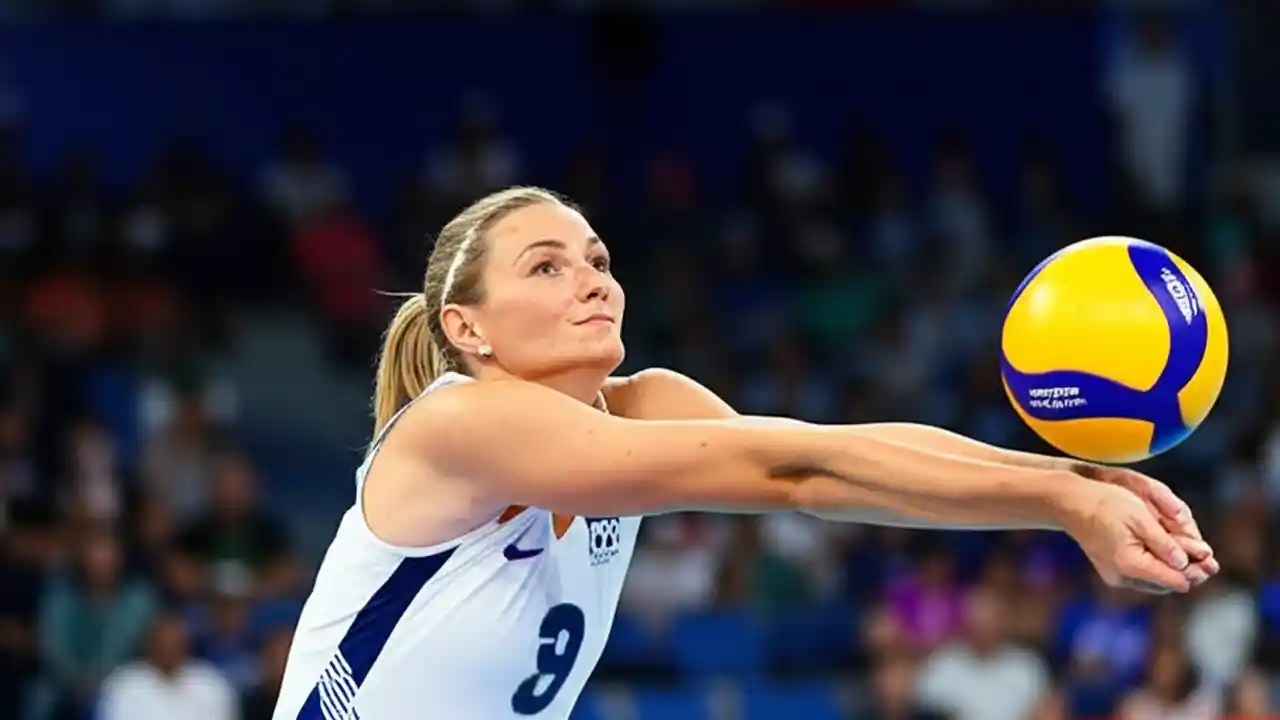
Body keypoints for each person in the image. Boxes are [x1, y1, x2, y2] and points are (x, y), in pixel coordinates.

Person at [272, 186, 1218, 719]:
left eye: (598, 260)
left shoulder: (645, 405)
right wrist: (1061, 498)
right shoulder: (455, 425)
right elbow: (796, 470)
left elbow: (832, 463)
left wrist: (1076, 482)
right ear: (464, 328)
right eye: (547, 267)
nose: (592, 282)